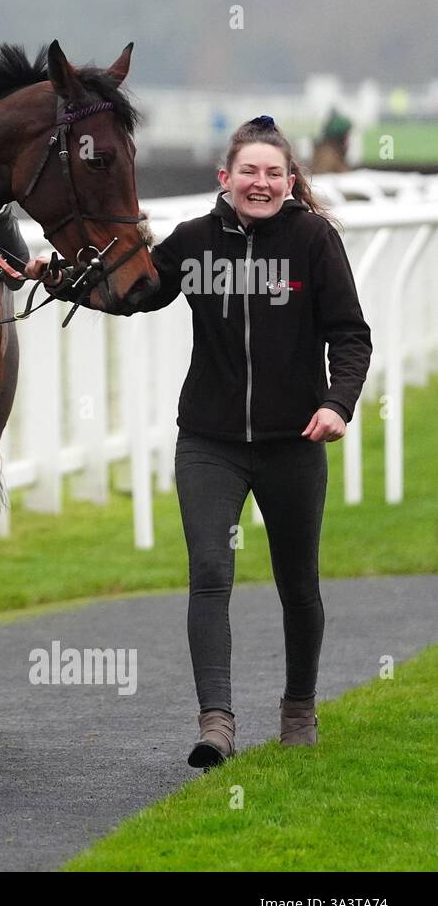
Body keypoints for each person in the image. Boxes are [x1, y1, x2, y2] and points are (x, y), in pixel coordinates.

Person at [29, 115, 372, 767]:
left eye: (274, 172)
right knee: (210, 573)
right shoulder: (193, 240)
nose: (261, 182)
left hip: (293, 440)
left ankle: (299, 707)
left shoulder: (313, 240)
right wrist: (60, 277)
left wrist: (336, 403)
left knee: (297, 582)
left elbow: (350, 334)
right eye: (250, 172)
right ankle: (216, 722)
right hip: (209, 441)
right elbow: (137, 293)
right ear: (226, 178)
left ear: (290, 179)